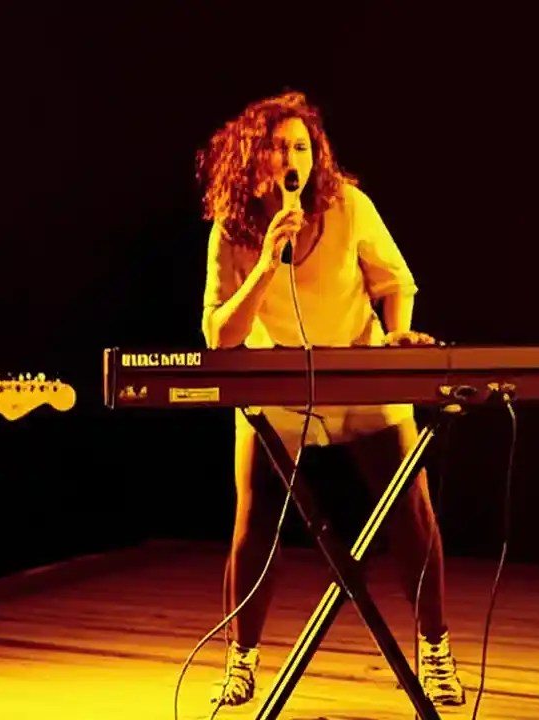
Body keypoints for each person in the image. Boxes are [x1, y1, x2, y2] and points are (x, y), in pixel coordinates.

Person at [196, 91, 465, 708]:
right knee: (254, 518)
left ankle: (434, 651)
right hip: (277, 383)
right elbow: (218, 336)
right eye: (279, 146)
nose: (293, 157)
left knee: (411, 507)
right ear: (251, 158)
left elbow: (395, 279)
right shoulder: (233, 226)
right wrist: (267, 262)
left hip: (359, 368)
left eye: (302, 146)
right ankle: (240, 662)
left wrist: (396, 330)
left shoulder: (347, 205)